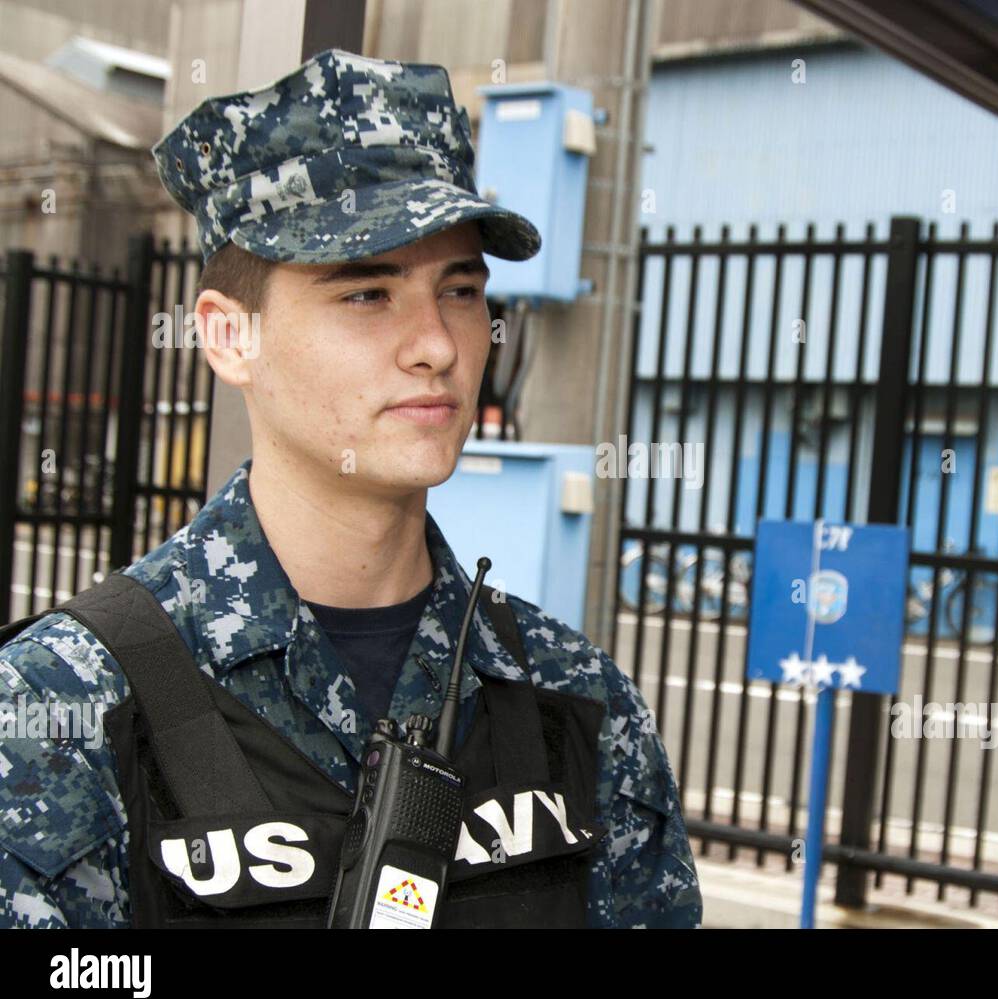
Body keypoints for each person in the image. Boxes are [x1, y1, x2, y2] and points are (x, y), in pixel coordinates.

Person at [0, 49, 702, 929]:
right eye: (367, 294)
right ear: (228, 337)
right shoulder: (65, 704)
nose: (438, 346)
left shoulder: (573, 701)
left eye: (459, 290)